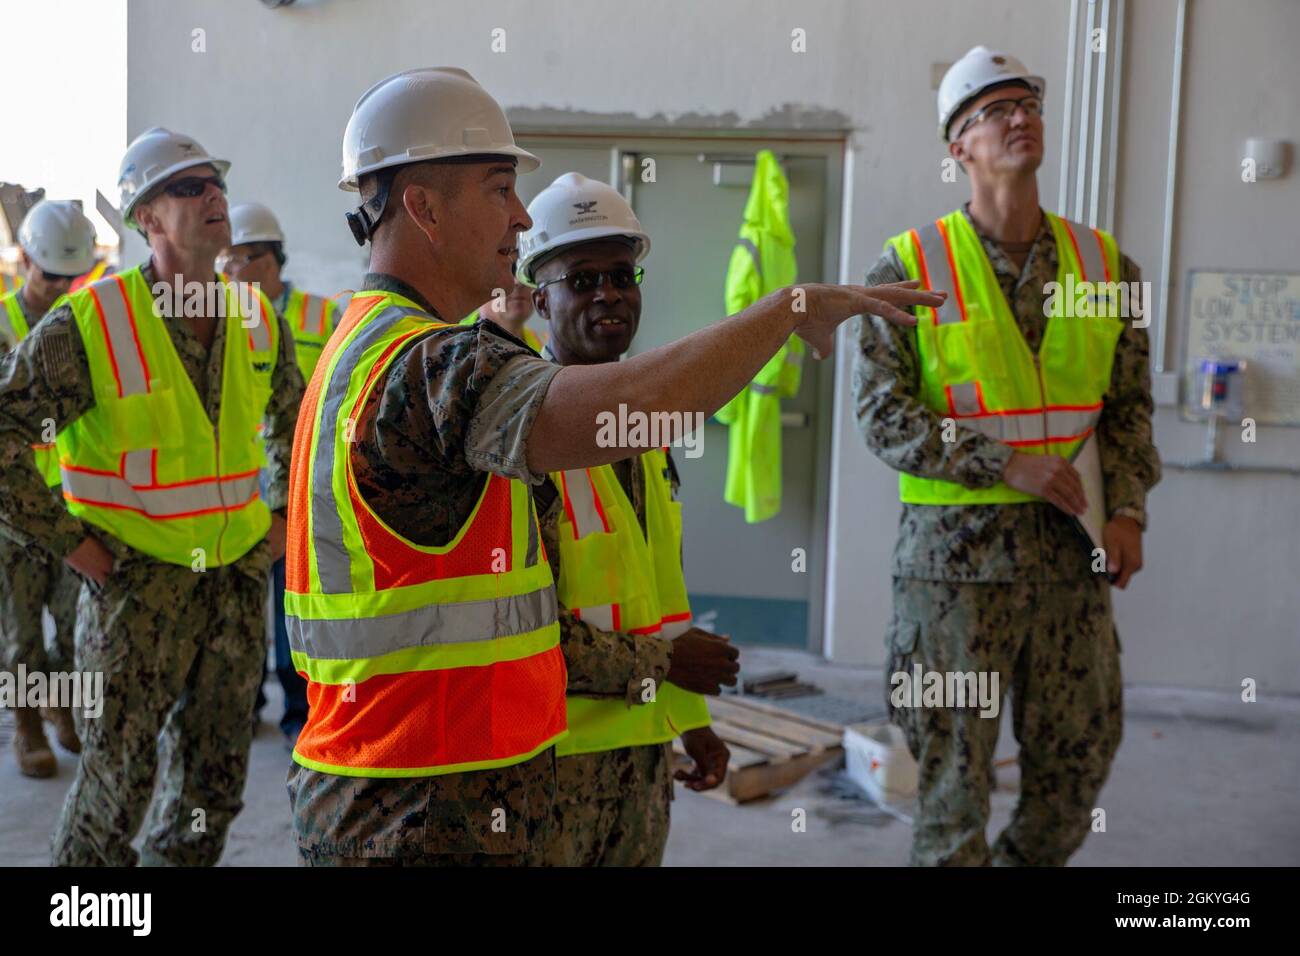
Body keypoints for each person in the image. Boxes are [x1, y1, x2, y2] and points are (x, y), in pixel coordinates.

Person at [285, 66, 941, 866]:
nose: (520, 216)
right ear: (422, 206)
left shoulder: (373, 348)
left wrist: (678, 706)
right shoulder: (428, 365)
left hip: (419, 793)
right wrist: (786, 310)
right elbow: (629, 404)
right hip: (415, 808)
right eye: (500, 188)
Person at [854, 46, 1160, 866]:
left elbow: (1129, 406)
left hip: (1071, 563)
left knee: (1078, 765)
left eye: (1026, 104)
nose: (1019, 117)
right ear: (959, 147)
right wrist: (1003, 462)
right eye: (994, 111)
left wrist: (1128, 508)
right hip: (951, 577)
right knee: (953, 791)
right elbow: (881, 415)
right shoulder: (909, 268)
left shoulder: (1106, 269)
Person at [0, 126, 305, 865]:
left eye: (215, 184)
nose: (213, 197)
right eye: (187, 187)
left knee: (212, 785)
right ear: (146, 218)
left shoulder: (257, 317)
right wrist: (76, 546)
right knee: (116, 787)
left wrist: (278, 520)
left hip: (231, 592)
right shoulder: (91, 321)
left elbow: (292, 432)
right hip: (134, 595)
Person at [517, 172, 737, 866]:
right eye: (581, 280)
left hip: (640, 755)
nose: (608, 294)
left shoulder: (644, 429)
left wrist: (689, 721)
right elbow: (520, 628)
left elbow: (659, 593)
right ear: (538, 299)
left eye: (621, 275)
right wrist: (671, 662)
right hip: (549, 764)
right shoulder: (521, 435)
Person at [219, 200, 339, 744]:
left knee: (293, 605)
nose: (233, 270)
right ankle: (243, 703)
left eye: (244, 258)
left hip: (304, 484)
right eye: (229, 260)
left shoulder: (322, 315)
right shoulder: (214, 315)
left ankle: (299, 712)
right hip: (239, 483)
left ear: (271, 259)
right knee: (238, 605)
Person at [0, 199, 98, 777]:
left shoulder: (81, 320)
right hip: (14, 506)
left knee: (71, 615)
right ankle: (27, 725)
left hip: (73, 498)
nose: (59, 287)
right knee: (19, 622)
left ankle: (62, 707)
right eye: (49, 276)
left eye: (70, 278)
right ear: (25, 262)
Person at [462, 280, 544, 351]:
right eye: (507, 269)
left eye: (523, 273)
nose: (518, 282)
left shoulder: (539, 343)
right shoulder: (454, 337)